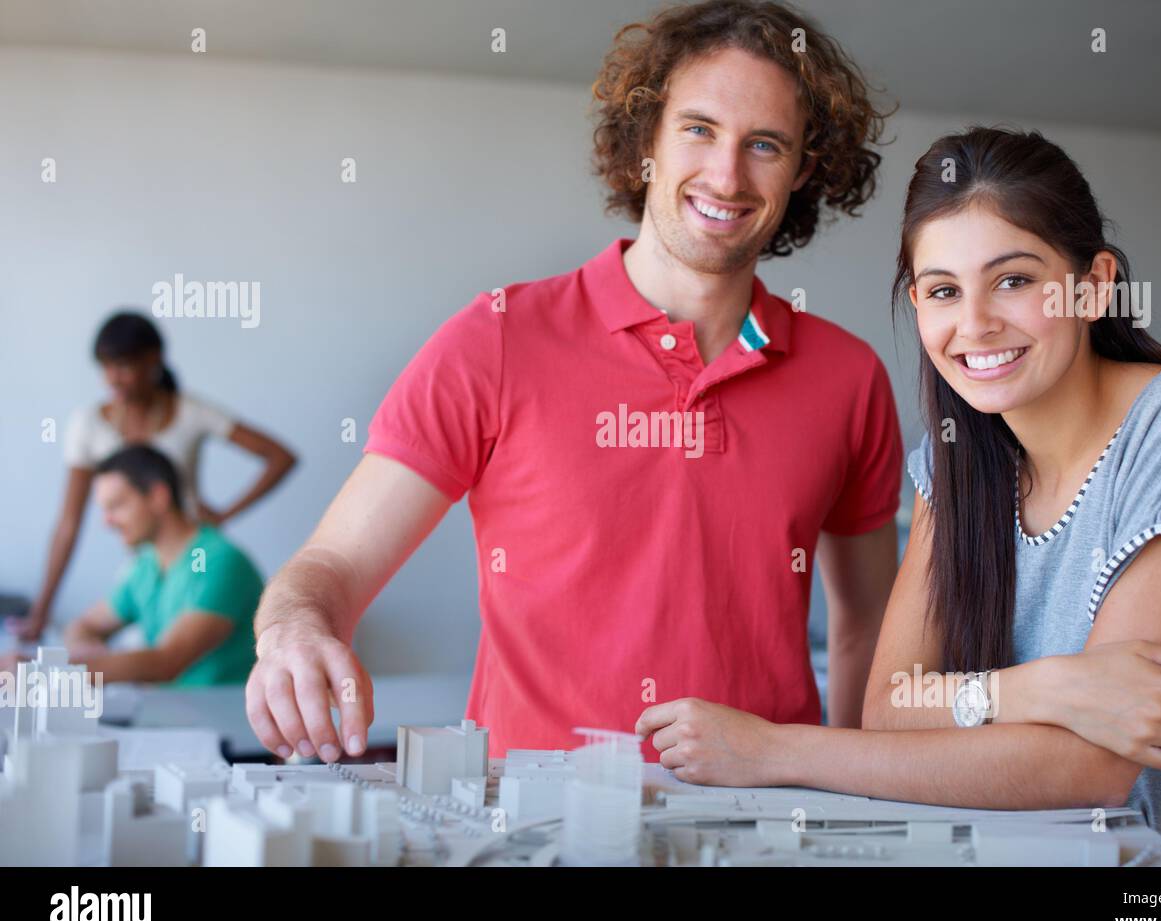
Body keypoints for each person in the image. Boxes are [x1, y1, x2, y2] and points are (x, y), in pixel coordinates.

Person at [246, 0, 901, 763]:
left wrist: (849, 797)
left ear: (804, 170)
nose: (726, 173)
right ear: (647, 139)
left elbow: (866, 628)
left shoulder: (849, 378)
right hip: (531, 825)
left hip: (762, 823)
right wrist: (295, 629)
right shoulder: (496, 338)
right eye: (698, 129)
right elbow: (332, 568)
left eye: (765, 144)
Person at [637, 127, 1161, 866]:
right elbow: (887, 711)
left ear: (1095, 283)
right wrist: (1041, 690)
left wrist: (774, 750)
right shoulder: (949, 466)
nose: (975, 324)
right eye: (944, 291)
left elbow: (1091, 769)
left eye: (1013, 280)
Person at [7, 311, 295, 642]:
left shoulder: (191, 411)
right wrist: (41, 612)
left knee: (163, 661)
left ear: (153, 360)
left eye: (124, 366)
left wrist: (224, 514)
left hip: (188, 560)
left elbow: (279, 457)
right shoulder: (87, 424)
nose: (112, 379)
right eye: (106, 367)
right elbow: (68, 523)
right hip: (145, 566)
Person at [1, 446, 262, 685]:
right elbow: (82, 626)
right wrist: (89, 650)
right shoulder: (145, 566)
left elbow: (166, 662)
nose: (107, 522)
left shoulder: (217, 561)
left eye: (116, 506)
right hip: (173, 716)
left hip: (227, 724)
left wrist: (43, 672)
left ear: (159, 497)